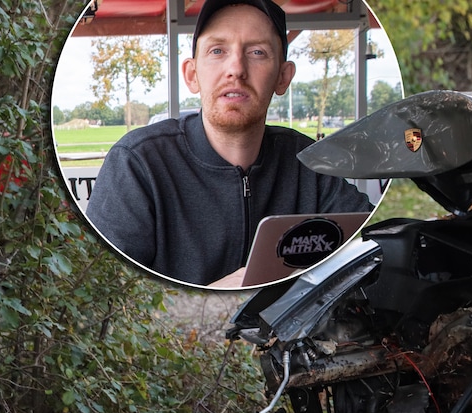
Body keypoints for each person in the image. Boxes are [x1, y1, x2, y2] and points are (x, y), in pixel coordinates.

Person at [85, 0, 374, 288]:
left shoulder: (308, 164)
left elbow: (371, 245)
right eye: (217, 51)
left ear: (283, 77)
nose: (236, 68)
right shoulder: (137, 164)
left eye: (257, 52)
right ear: (192, 74)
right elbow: (103, 295)